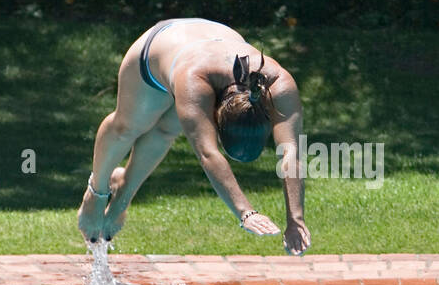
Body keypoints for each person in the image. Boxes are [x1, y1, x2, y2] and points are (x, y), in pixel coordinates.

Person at [77, 17, 310, 255]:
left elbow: (291, 151)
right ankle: (96, 191)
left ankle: (122, 195)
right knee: (128, 127)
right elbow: (208, 154)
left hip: (214, 38)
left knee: (166, 131)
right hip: (160, 47)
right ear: (216, 117)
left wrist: (296, 219)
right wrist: (245, 212)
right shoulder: (195, 80)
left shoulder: (278, 82)